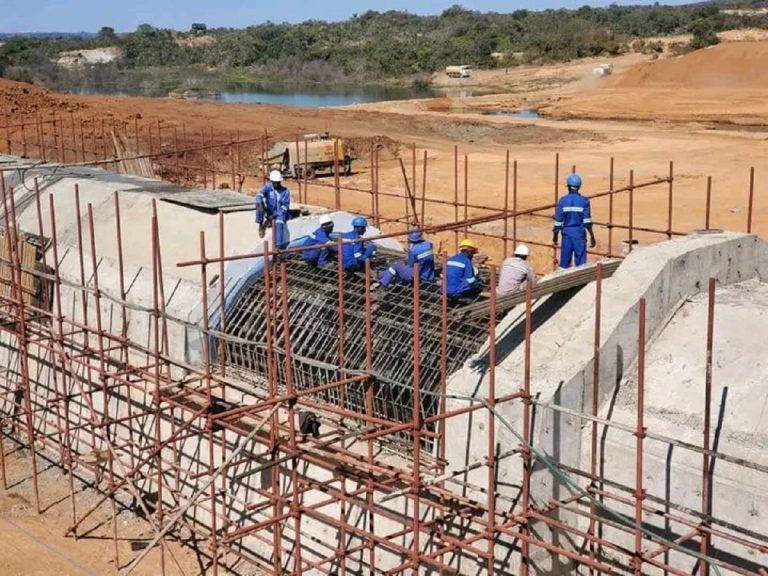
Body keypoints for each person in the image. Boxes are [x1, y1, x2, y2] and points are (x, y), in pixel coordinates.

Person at [553, 173, 596, 269]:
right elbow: (587, 222)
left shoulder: (563, 201)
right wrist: (592, 236)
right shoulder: (584, 201)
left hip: (566, 234)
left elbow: (558, 223)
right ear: (579, 187)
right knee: (581, 265)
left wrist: (555, 236)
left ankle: (563, 282)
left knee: (564, 264)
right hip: (579, 234)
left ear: (568, 186)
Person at [255, 170, 291, 249]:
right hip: (269, 211)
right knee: (259, 205)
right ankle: (261, 224)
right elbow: (259, 195)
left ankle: (278, 246)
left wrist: (275, 214)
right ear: (271, 181)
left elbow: (285, 206)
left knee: (279, 222)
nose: (276, 184)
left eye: (278, 182)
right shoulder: (268, 188)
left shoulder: (285, 191)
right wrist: (259, 201)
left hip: (280, 213)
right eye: (274, 182)